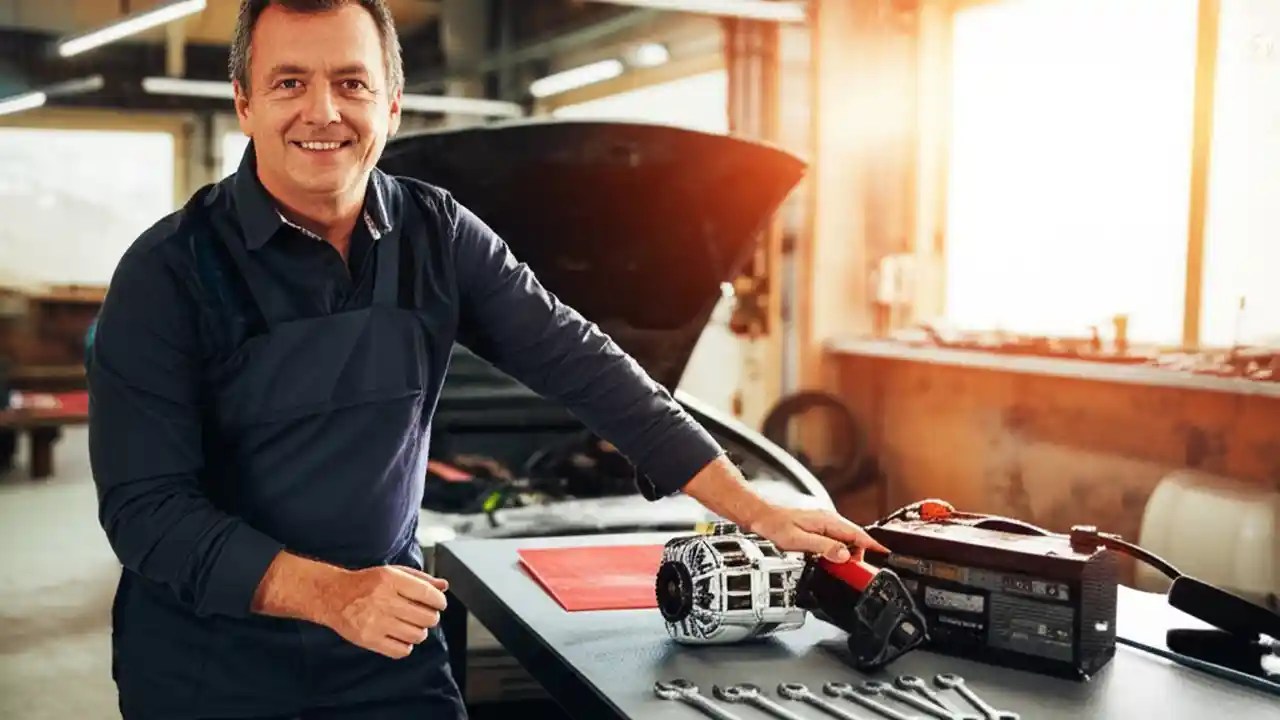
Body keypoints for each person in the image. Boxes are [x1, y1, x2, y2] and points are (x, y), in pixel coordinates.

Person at [87, 1, 888, 718]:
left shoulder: (436, 233)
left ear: (391, 104)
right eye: (289, 82)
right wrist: (334, 595)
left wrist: (753, 507)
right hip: (211, 661)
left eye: (352, 83)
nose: (322, 111)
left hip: (389, 646)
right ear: (244, 102)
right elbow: (146, 511)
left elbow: (580, 360)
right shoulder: (167, 274)